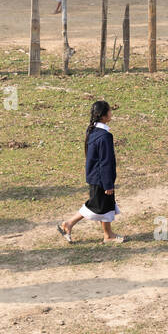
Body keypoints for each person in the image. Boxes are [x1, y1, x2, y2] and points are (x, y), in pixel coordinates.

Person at [57, 101, 124, 244]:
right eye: (110, 111)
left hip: (95, 176)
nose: (111, 113)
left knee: (105, 206)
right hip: (101, 178)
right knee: (96, 206)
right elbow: (105, 162)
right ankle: (68, 224)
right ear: (104, 116)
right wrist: (108, 184)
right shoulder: (105, 136)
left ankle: (108, 234)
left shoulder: (92, 131)